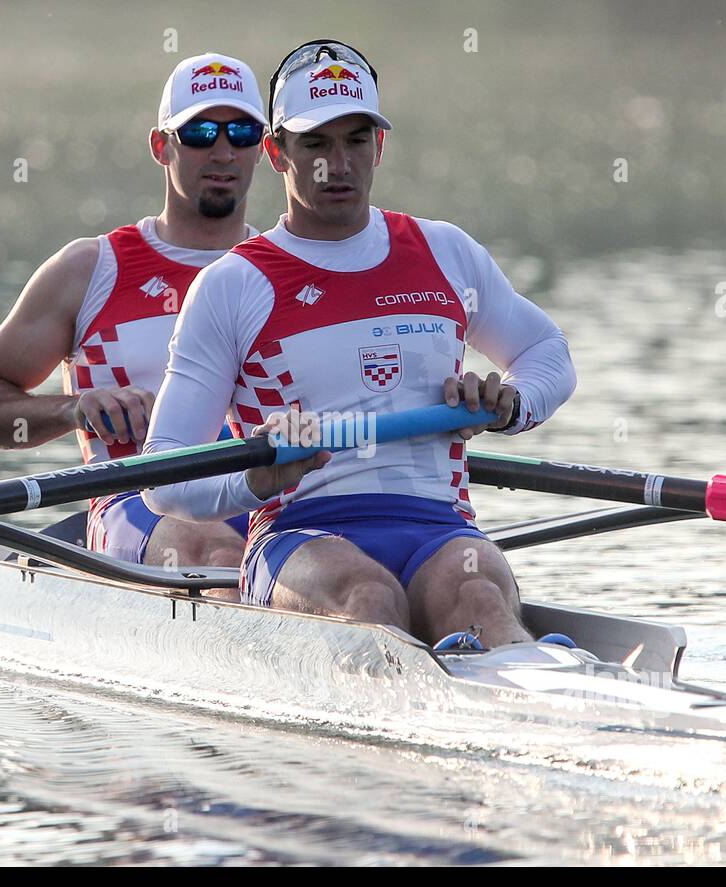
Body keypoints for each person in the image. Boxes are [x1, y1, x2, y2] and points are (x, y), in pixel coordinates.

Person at [141, 40, 576, 648]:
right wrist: (257, 478)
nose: (337, 164)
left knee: (478, 597)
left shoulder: (446, 252)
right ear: (276, 152)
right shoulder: (233, 286)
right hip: (301, 535)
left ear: (380, 146)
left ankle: (543, 705)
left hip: (439, 530)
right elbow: (164, 473)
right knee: (367, 600)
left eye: (356, 140)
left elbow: (549, 355)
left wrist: (509, 403)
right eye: (315, 143)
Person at [0, 52, 267, 570]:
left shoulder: (291, 271)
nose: (224, 151)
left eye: (243, 133)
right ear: (161, 146)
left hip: (267, 504)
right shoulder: (89, 270)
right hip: (136, 502)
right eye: (202, 133)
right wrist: (73, 409)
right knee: (214, 552)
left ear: (266, 148)